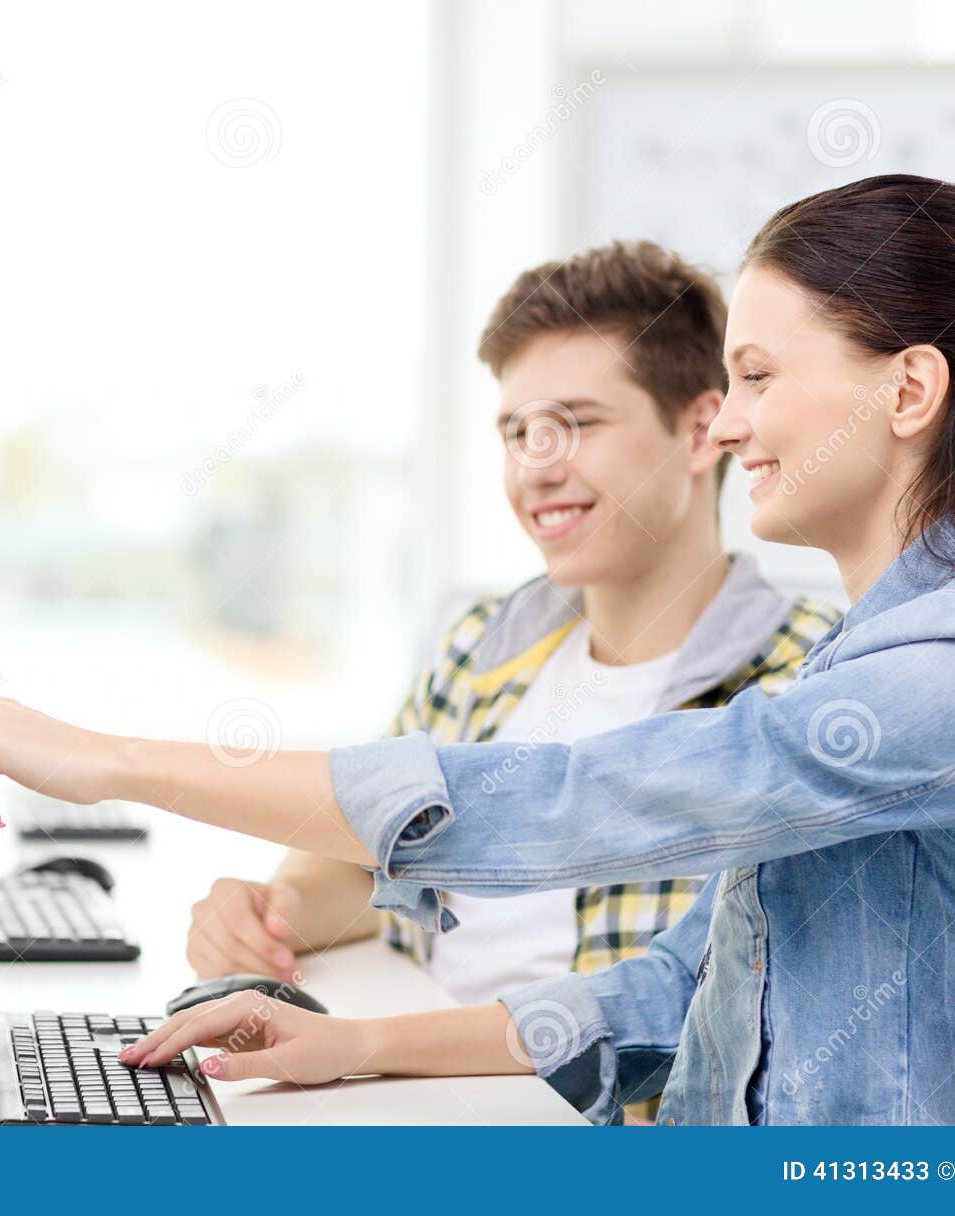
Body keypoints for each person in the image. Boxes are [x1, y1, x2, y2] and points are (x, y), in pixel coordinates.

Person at [0, 176, 955, 1125]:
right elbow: (684, 987)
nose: (738, 426)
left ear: (909, 389)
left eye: (762, 378)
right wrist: (358, 1049)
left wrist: (101, 758)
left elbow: (573, 799)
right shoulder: (898, 649)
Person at [181, 243, 836, 1049]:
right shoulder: (481, 649)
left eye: (577, 424)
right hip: (421, 1092)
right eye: (517, 431)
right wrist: (266, 917)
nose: (535, 468)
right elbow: (358, 855)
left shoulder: (809, 679)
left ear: (702, 433)